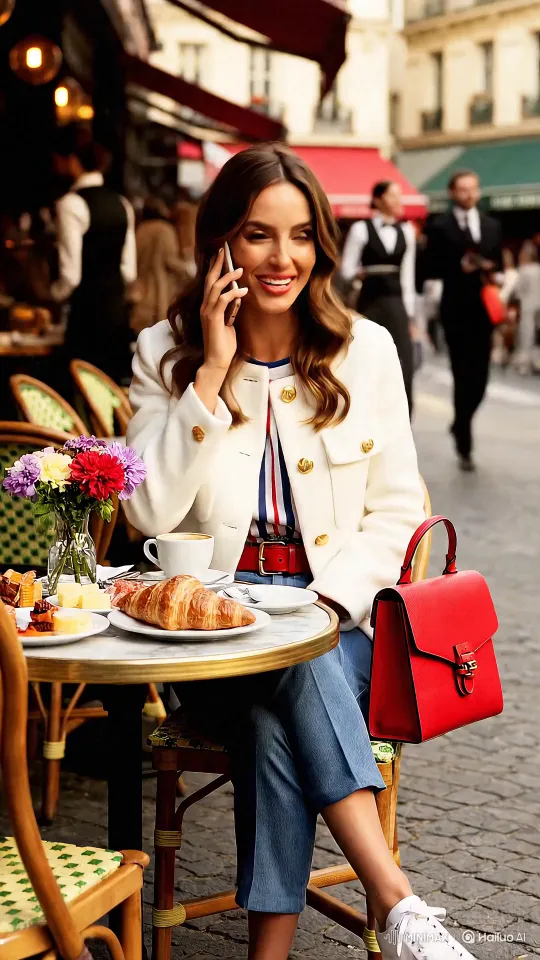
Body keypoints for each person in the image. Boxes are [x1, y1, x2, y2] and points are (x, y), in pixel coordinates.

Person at [124, 143, 476, 960]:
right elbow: (145, 510)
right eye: (256, 235)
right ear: (221, 243)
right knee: (271, 689)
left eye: (299, 236)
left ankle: (277, 953)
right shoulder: (161, 353)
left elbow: (395, 515)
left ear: (321, 242)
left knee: (285, 689)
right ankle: (397, 899)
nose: (281, 258)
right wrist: (210, 374)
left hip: (337, 625)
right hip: (211, 641)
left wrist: (322, 608)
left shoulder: (367, 349)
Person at [424, 170, 502, 471]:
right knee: (461, 373)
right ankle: (465, 445)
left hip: (484, 308)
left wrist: (490, 270)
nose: (469, 194)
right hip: (455, 308)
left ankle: (460, 421)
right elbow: (429, 266)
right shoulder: (439, 226)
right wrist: (457, 266)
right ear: (453, 193)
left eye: (473, 188)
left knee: (481, 378)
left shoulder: (492, 225)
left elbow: (497, 263)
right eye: (463, 189)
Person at [51, 127, 137, 386]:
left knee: (81, 397)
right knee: (110, 401)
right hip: (117, 319)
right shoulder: (122, 204)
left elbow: (70, 276)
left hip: (86, 321)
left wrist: (51, 295)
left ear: (72, 161)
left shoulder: (70, 204)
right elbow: (129, 272)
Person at [340, 181, 416, 414]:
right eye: (394, 196)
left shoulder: (408, 231)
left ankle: (402, 413)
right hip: (369, 301)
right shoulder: (361, 229)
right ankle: (362, 412)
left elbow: (408, 274)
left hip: (396, 300)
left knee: (404, 359)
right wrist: (361, 272)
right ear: (379, 199)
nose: (399, 202)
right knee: (365, 356)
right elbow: (346, 269)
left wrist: (410, 313)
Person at [130, 197, 192, 335]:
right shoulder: (165, 230)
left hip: (141, 288)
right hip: (159, 289)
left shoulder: (140, 229)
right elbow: (170, 260)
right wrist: (189, 271)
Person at [514, 240, 540, 375]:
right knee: (537, 337)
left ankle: (524, 365)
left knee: (527, 336)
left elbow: (517, 290)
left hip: (528, 306)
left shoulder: (524, 270)